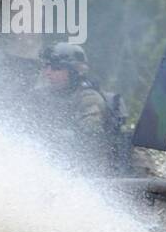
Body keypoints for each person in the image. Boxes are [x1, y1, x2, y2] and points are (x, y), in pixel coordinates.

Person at [35, 42, 126, 171]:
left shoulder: (88, 99)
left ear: (73, 72)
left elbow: (91, 140)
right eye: (46, 66)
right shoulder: (43, 95)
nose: (48, 73)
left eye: (56, 68)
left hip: (90, 169)